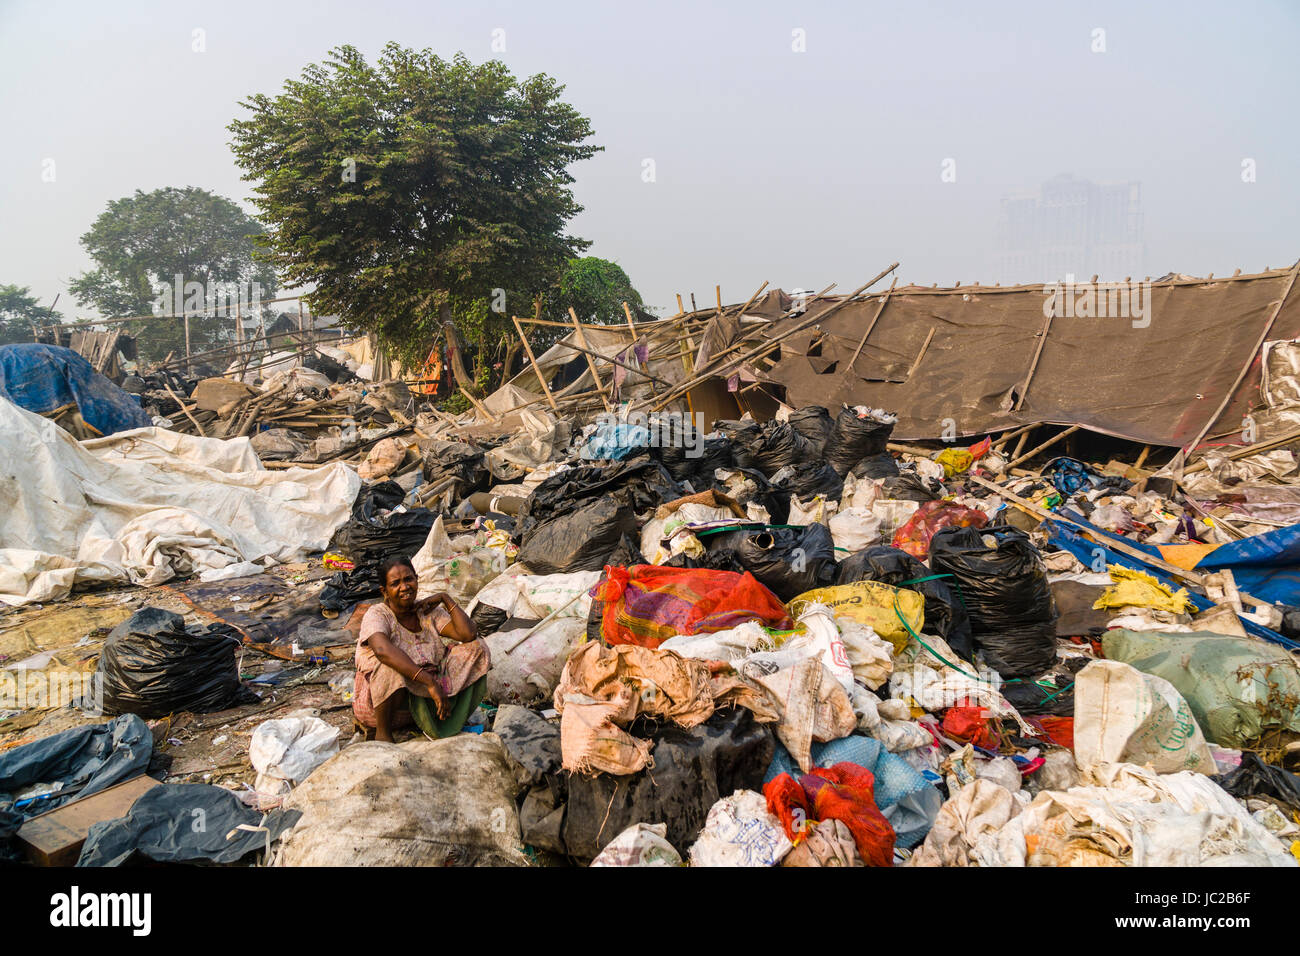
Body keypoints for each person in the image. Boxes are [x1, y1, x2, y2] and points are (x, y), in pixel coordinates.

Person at [353, 554, 490, 742]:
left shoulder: (426, 611)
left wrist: (445, 599)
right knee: (388, 667)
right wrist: (429, 682)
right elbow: (382, 650)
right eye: (396, 583)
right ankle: (383, 735)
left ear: (417, 580)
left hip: (426, 698)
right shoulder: (378, 614)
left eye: (409, 579)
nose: (405, 587)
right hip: (383, 707)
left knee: (477, 648)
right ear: (384, 591)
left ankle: (445, 719)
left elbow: (468, 635)